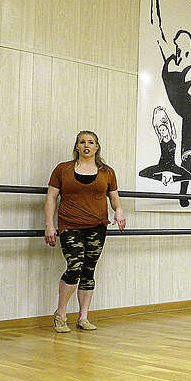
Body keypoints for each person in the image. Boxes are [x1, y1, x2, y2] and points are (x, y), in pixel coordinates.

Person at [44, 131, 125, 332]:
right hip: (70, 225)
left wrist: (119, 211)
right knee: (75, 266)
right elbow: (51, 198)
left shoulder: (107, 172)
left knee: (88, 270)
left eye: (91, 142)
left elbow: (114, 197)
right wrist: (49, 224)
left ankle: (83, 316)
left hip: (97, 226)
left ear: (97, 147)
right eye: (82, 142)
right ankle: (61, 314)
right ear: (77, 147)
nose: (86, 145)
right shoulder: (63, 170)